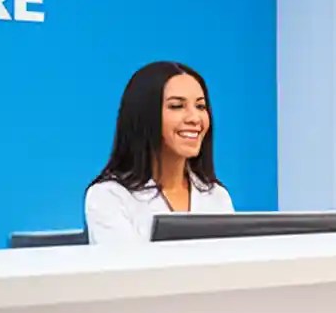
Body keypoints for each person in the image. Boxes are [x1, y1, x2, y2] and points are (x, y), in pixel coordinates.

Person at [85, 61, 234, 244]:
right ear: (145, 116)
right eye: (177, 106)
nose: (195, 118)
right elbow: (130, 271)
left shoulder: (216, 196)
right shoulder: (109, 196)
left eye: (201, 107)